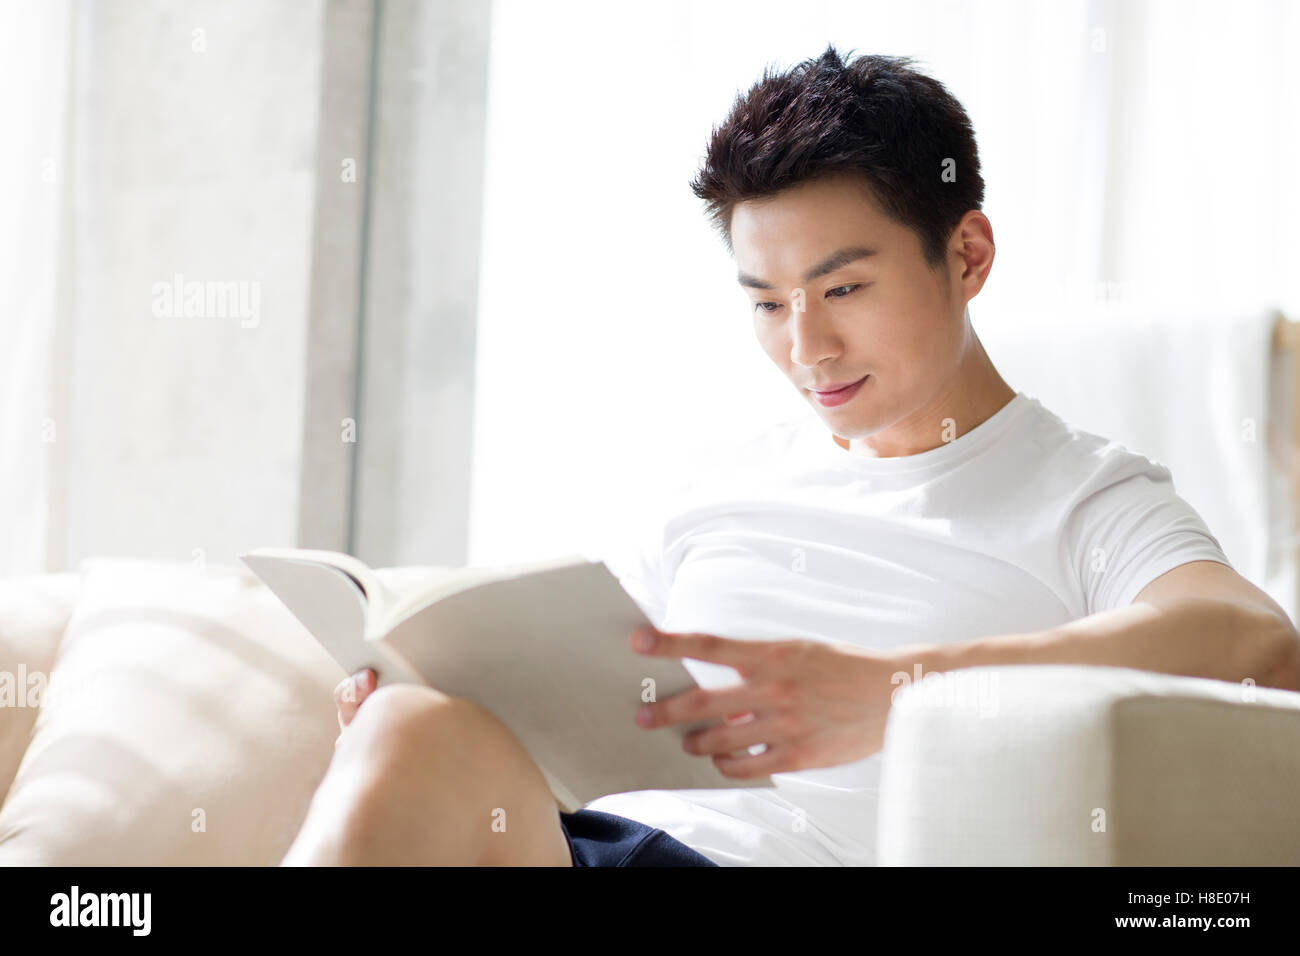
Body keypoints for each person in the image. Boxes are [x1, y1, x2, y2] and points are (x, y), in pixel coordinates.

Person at [282, 45, 1299, 867]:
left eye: (843, 289)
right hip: (595, 844)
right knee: (413, 730)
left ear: (968, 253)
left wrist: (899, 687)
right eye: (766, 304)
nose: (805, 347)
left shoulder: (1082, 492)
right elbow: (590, 723)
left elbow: (1257, 643)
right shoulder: (715, 490)